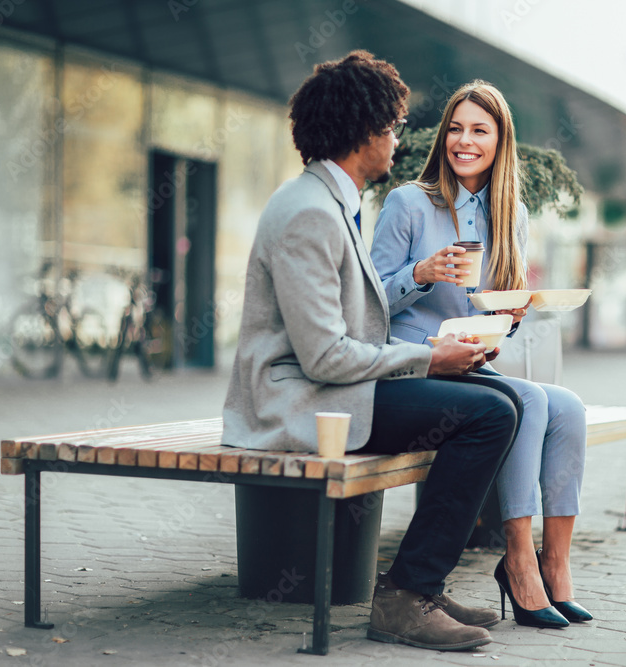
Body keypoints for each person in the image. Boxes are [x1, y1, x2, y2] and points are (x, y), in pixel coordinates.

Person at [221, 52, 524, 652]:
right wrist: (427, 361)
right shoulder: (309, 212)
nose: (397, 140)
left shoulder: (333, 202)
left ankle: (419, 586)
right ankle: (407, 594)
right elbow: (324, 358)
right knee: (490, 416)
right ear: (364, 134)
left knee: (497, 397)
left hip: (334, 389)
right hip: (299, 400)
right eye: (392, 127)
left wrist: (447, 352)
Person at [370, 81, 592, 628]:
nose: (464, 141)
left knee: (568, 408)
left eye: (479, 130)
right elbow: (366, 302)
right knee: (530, 404)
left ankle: (555, 566)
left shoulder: (507, 212)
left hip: (469, 362)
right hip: (412, 360)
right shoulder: (409, 204)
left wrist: (508, 316)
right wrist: (419, 275)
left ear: (500, 141)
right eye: (456, 128)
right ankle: (517, 562)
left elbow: (490, 312)